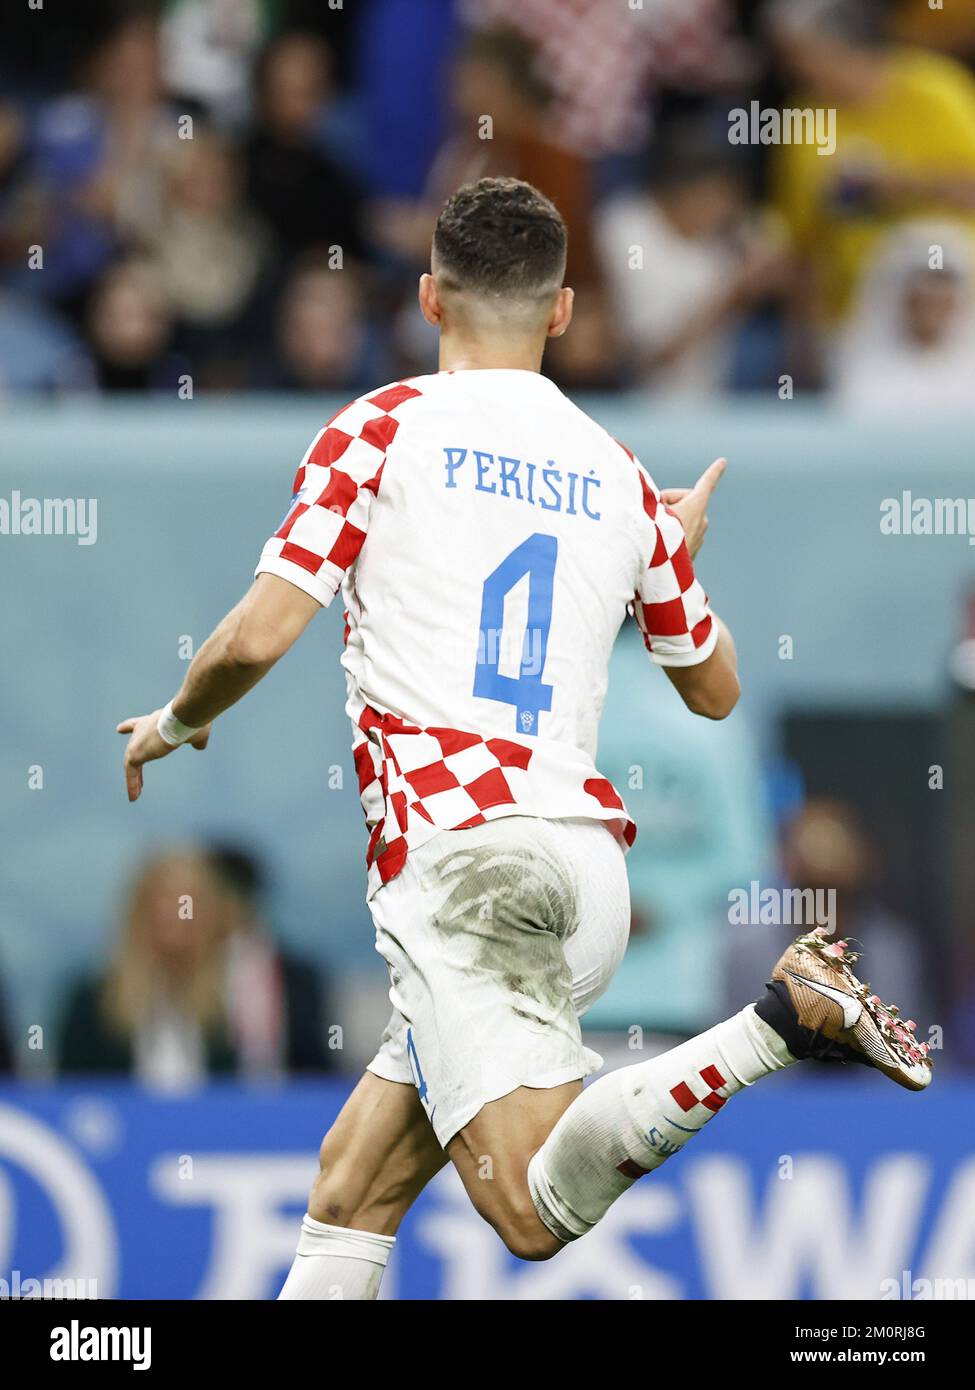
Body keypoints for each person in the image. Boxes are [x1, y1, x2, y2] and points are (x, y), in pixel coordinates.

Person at [116, 177, 932, 1298]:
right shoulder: (620, 473)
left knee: (530, 1210)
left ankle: (784, 1017)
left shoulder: (380, 427)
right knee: (352, 1190)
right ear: (559, 312)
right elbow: (718, 690)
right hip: (583, 867)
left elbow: (257, 638)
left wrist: (176, 721)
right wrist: (673, 555)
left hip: (465, 866)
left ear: (426, 298)